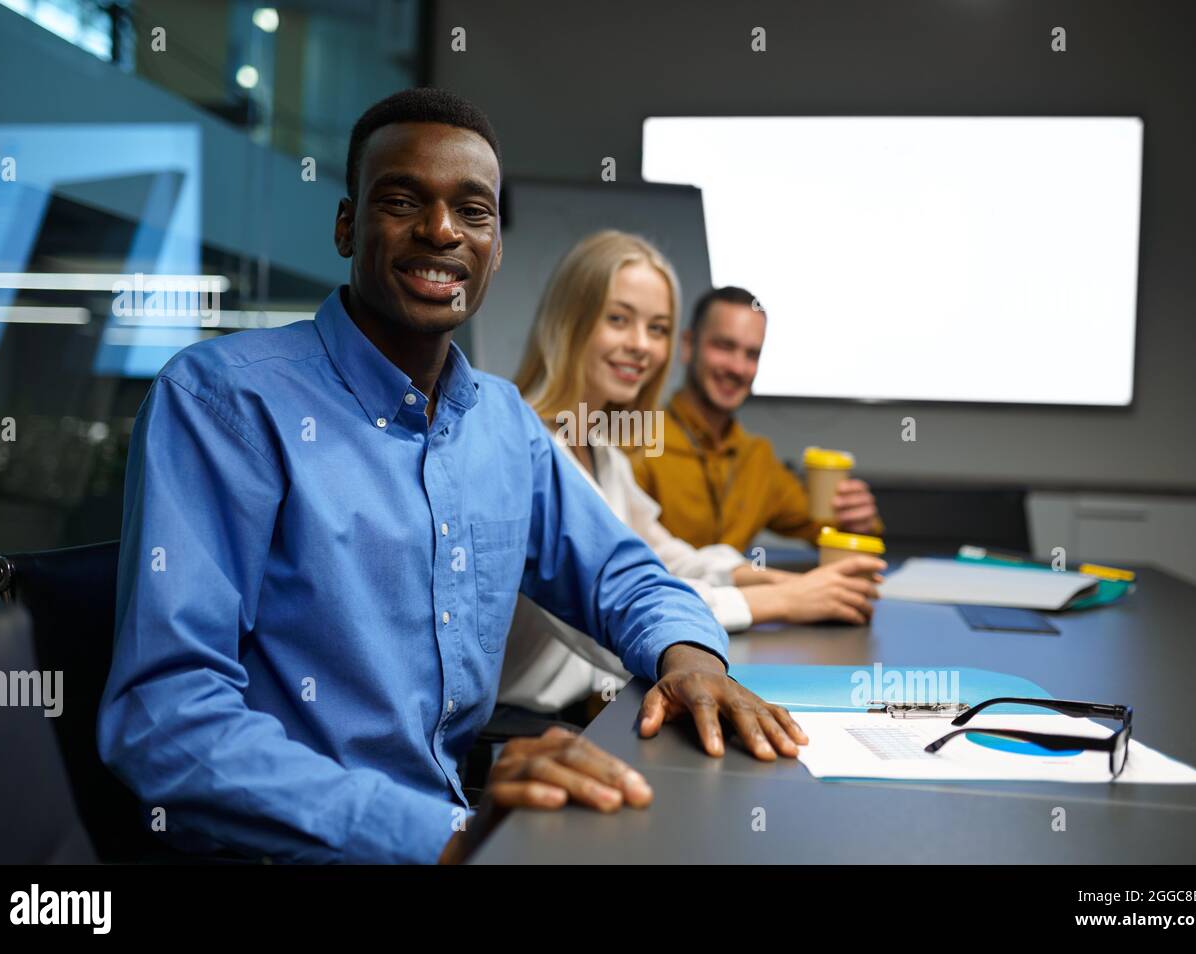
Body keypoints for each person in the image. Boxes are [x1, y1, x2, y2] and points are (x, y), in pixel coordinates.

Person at [97, 89, 807, 867]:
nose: (441, 230)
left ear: (497, 247)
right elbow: (164, 719)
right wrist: (437, 837)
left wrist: (692, 661)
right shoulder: (225, 400)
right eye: (402, 200)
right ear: (346, 226)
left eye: (473, 211)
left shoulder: (502, 423)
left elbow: (626, 576)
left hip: (466, 825)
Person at [500, 232, 885, 714]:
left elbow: (664, 561)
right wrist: (787, 601)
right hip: (543, 724)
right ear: (570, 321)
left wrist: (783, 584)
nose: (641, 346)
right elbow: (613, 610)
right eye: (619, 319)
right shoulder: (524, 447)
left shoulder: (602, 451)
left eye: (656, 328)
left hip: (601, 705)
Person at [632, 286, 883, 552]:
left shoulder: (756, 459)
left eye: (752, 354)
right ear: (687, 345)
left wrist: (857, 521)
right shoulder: (637, 444)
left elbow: (824, 530)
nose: (738, 368)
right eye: (724, 346)